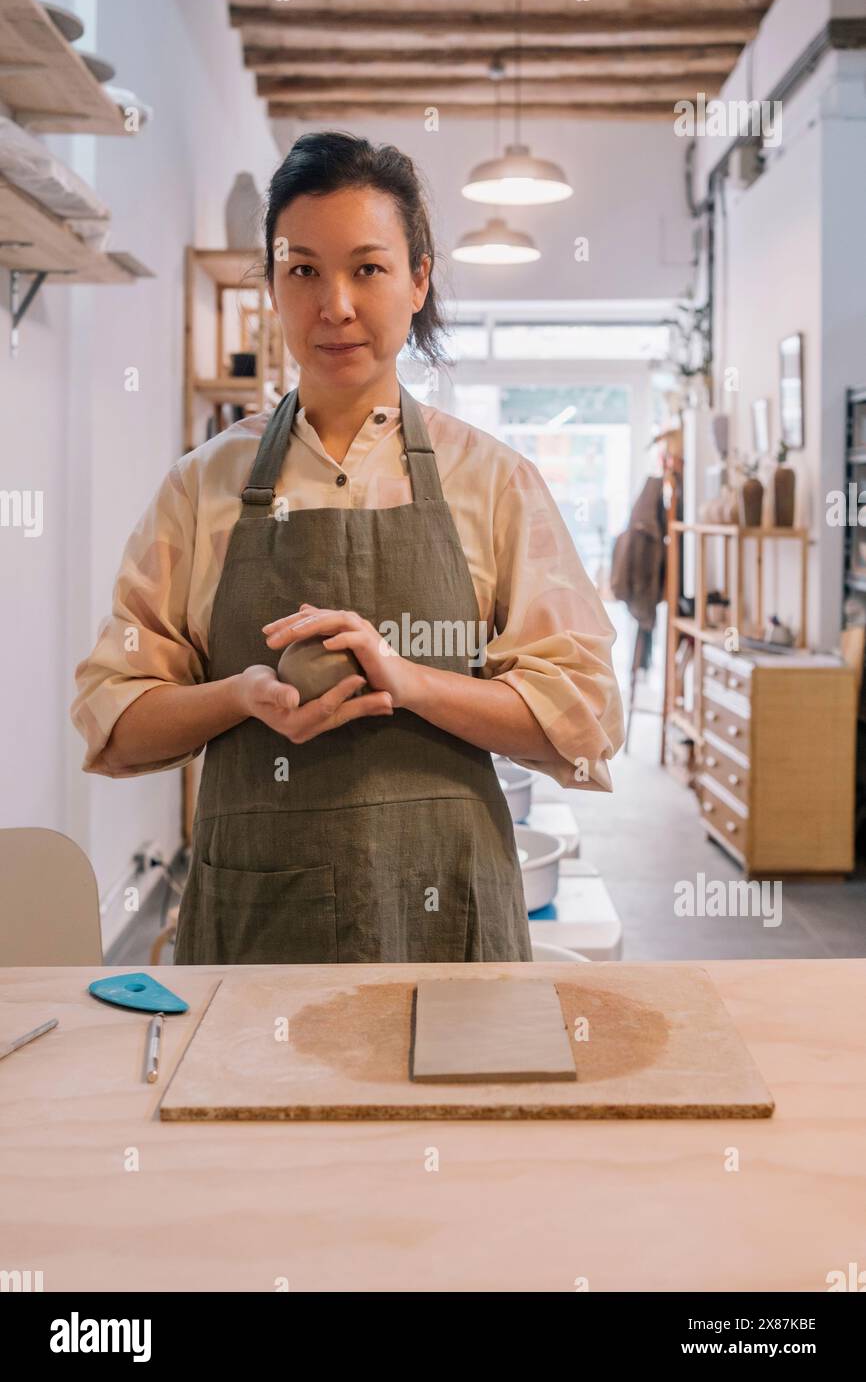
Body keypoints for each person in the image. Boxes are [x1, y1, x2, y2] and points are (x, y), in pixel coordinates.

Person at [71, 131, 624, 965]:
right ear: (271, 286)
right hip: (260, 922)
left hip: (447, 911)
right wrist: (241, 697)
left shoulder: (495, 482)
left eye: (367, 268)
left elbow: (584, 719)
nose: (335, 304)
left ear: (418, 279)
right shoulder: (200, 487)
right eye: (303, 270)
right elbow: (114, 722)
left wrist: (410, 682)